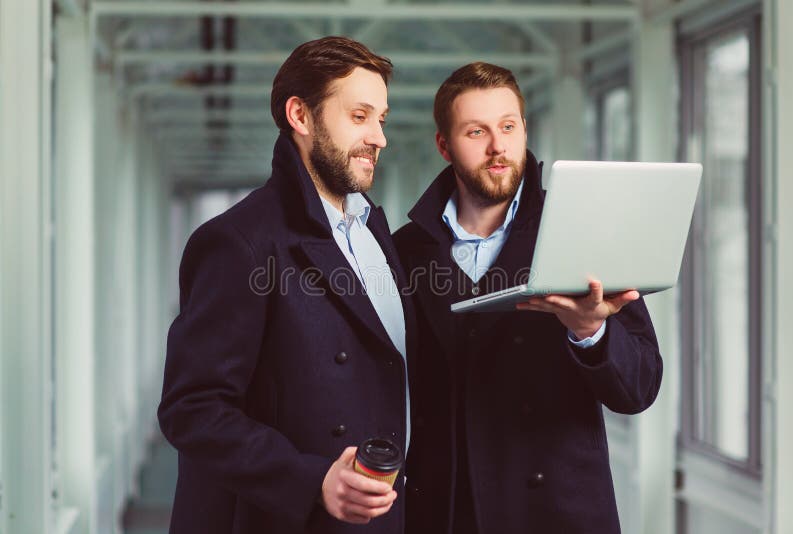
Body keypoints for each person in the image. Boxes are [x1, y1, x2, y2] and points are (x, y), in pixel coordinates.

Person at [159, 36, 416, 534]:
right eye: (359, 117)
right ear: (300, 116)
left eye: (381, 119)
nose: (379, 138)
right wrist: (312, 480)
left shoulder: (373, 231)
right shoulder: (239, 242)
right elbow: (191, 409)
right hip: (287, 519)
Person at [393, 62, 662, 534]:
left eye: (508, 127)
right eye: (476, 131)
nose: (497, 146)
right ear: (444, 146)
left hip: (559, 513)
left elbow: (639, 388)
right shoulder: (405, 250)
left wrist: (591, 331)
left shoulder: (582, 231)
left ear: (523, 129)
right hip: (447, 512)